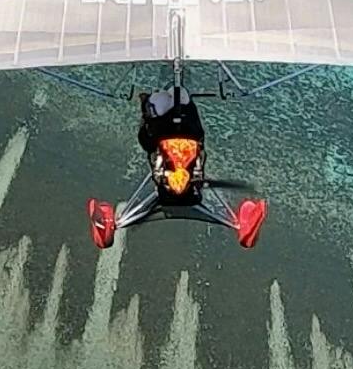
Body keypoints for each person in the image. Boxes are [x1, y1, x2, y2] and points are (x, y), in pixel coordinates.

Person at [87, 84, 266, 249]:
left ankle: (112, 224)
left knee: (170, 103)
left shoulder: (156, 124)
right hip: (184, 164)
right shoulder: (184, 118)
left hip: (175, 169)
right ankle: (240, 225)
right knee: (179, 100)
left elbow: (147, 138)